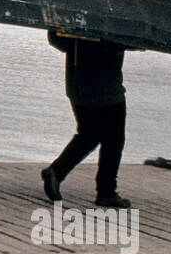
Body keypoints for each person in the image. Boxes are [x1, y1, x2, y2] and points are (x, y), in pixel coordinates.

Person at [41, 30, 132, 209]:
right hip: (106, 86)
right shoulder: (110, 15)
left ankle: (57, 172)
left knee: (89, 134)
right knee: (113, 139)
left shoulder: (75, 14)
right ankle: (106, 192)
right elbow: (118, 44)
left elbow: (55, 38)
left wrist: (78, 46)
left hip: (77, 84)